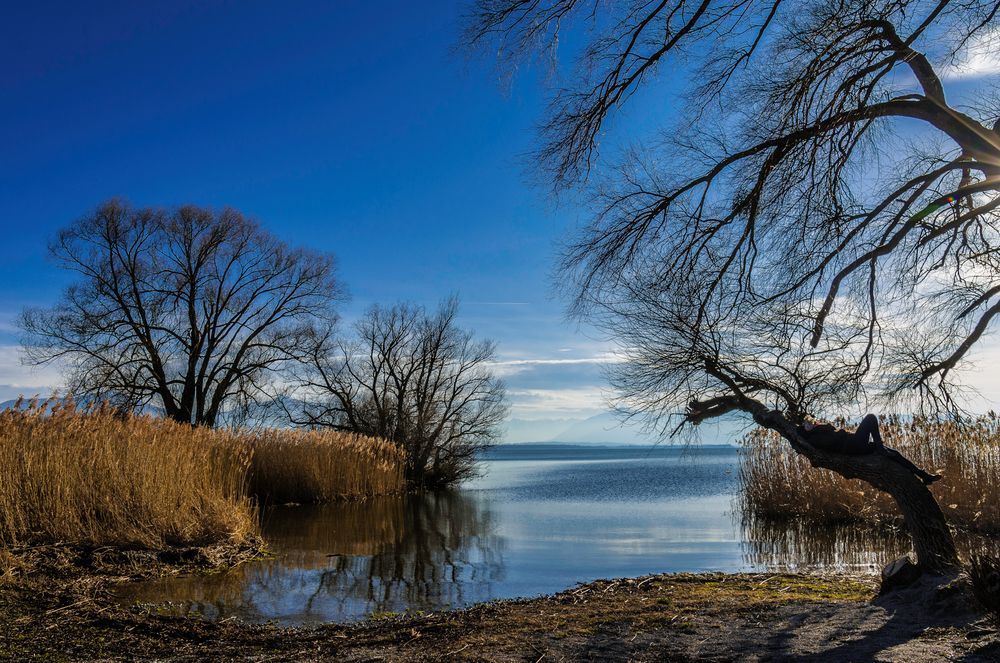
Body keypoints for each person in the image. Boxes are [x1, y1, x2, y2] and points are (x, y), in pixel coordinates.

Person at [796, 414, 942, 486]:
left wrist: (822, 427)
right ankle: (880, 448)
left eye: (810, 422)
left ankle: (924, 476)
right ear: (805, 429)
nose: (811, 423)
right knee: (871, 418)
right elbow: (832, 441)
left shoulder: (817, 432)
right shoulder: (814, 438)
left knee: (894, 454)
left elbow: (832, 436)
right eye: (807, 424)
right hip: (852, 446)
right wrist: (825, 429)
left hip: (854, 444)